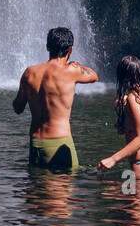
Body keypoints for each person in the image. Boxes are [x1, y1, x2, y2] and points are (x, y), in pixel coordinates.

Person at [13, 27, 98, 171]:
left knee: (37, 191)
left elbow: (18, 108)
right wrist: (76, 64)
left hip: (35, 144)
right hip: (58, 142)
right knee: (62, 192)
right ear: (70, 50)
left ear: (47, 47)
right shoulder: (71, 71)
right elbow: (94, 76)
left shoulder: (29, 72)